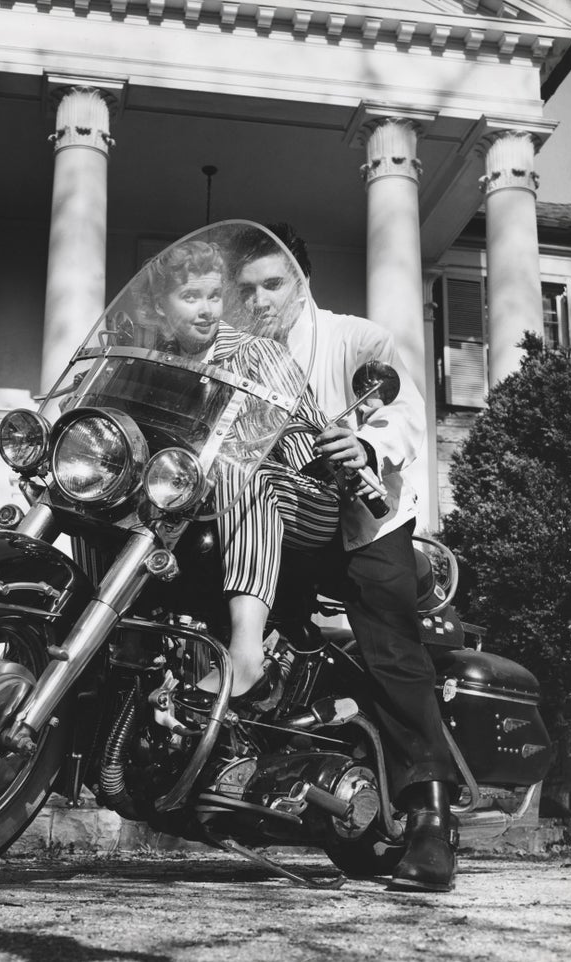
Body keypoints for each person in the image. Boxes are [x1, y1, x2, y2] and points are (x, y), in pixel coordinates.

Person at [228, 223, 459, 894]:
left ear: (301, 285)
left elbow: (406, 413)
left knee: (389, 641)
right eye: (248, 290)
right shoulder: (243, 356)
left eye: (273, 284)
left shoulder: (356, 341)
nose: (261, 299)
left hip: (363, 516)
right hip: (281, 514)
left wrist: (367, 446)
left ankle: (430, 821)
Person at [136, 238, 340, 703]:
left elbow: (310, 445)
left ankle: (245, 654)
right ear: (160, 305)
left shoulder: (257, 353)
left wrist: (241, 446)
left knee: (237, 467)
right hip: (200, 506)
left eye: (213, 296)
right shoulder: (156, 364)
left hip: (300, 496)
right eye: (190, 297)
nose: (207, 310)